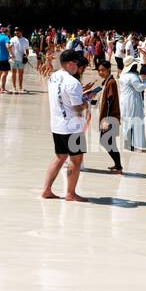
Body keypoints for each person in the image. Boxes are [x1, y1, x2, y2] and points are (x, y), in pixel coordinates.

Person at [42, 51, 91, 201]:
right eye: (77, 63)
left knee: (59, 157)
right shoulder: (73, 82)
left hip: (57, 125)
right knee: (76, 160)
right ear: (70, 63)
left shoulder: (53, 76)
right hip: (72, 127)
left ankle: (46, 190)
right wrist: (87, 99)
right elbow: (77, 108)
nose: (78, 66)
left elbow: (63, 99)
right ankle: (70, 193)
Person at [96, 61, 123, 173]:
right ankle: (117, 165)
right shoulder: (107, 82)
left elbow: (109, 102)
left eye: (103, 70)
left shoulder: (111, 82)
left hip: (110, 118)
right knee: (108, 142)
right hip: (109, 117)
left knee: (106, 141)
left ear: (108, 70)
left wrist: (106, 120)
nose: (101, 72)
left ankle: (118, 166)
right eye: (99, 70)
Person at [119, 58, 146, 151]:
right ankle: (136, 144)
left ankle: (127, 144)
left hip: (124, 100)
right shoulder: (133, 76)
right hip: (132, 101)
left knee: (127, 122)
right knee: (136, 121)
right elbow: (140, 88)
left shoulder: (123, 75)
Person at [10, 27, 30, 92]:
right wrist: (11, 54)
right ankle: (14, 87)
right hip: (14, 59)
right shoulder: (12, 39)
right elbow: (9, 48)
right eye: (15, 32)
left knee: (21, 74)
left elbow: (27, 50)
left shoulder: (25, 40)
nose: (16, 33)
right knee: (14, 73)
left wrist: (26, 56)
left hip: (21, 59)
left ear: (21, 32)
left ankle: (20, 87)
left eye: (17, 32)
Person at [0, 23, 12, 94]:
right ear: (6, 32)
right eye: (9, 32)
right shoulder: (6, 38)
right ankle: (3, 88)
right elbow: (7, 46)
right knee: (5, 73)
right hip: (4, 58)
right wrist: (11, 53)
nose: (9, 33)